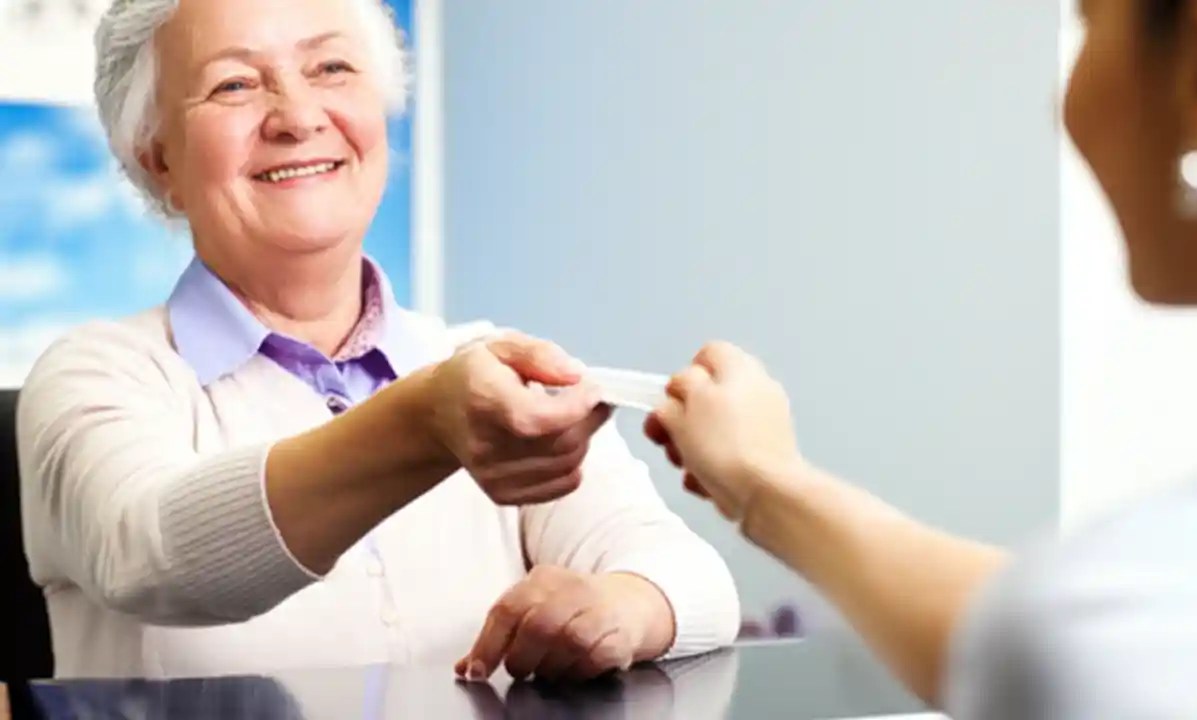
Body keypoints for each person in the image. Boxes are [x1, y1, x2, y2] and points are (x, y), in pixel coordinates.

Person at [17, 0, 738, 681]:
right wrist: (423, 422)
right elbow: (151, 553)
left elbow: (694, 581)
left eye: (331, 68)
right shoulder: (96, 375)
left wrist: (623, 609)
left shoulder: (492, 365)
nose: (298, 117)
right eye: (234, 84)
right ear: (157, 159)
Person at [645, 0, 1197, 717]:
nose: (1061, 107)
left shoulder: (1114, 641)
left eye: (1090, 21)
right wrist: (766, 481)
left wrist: (766, 484)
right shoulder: (1169, 612)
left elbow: (1083, 637)